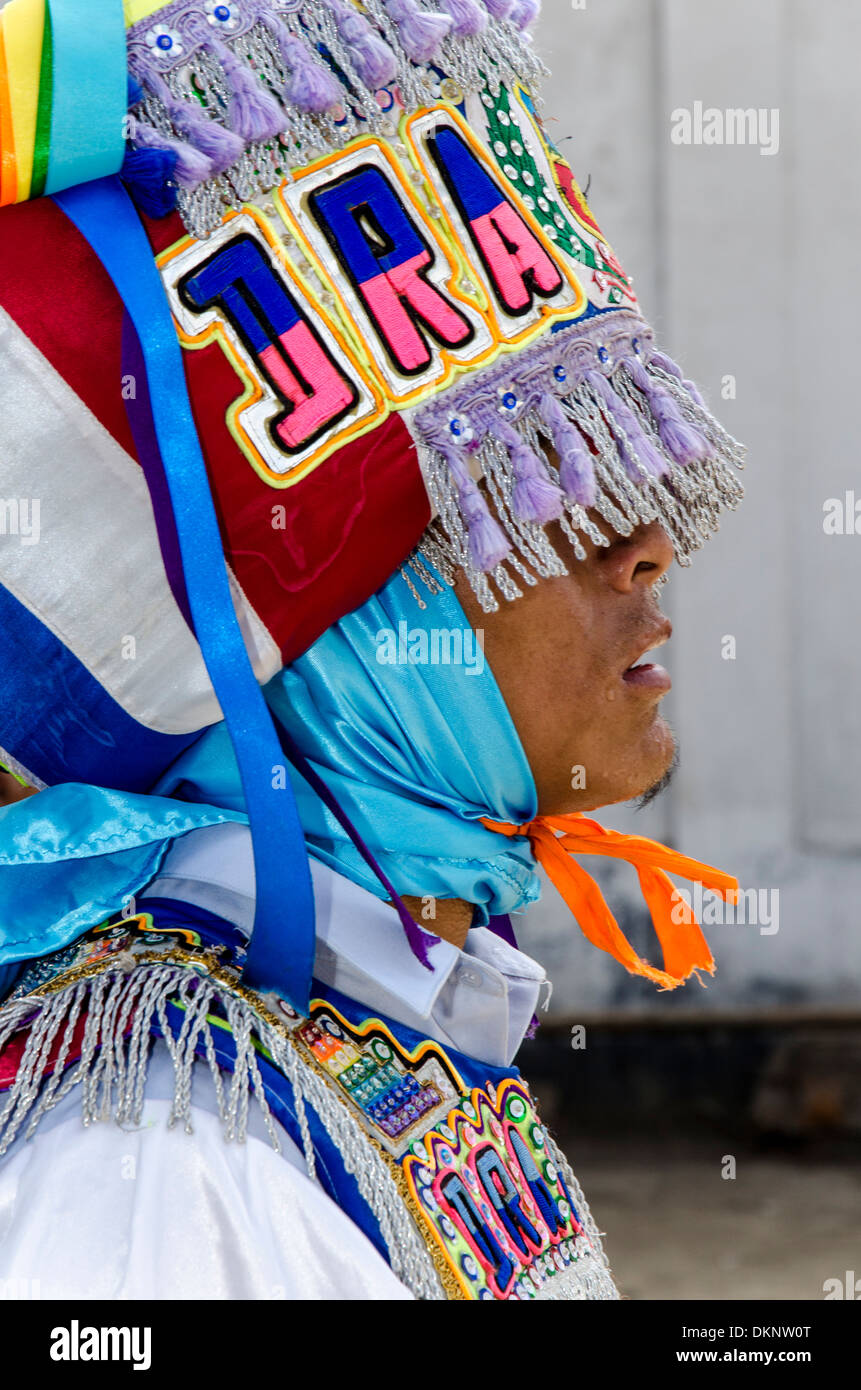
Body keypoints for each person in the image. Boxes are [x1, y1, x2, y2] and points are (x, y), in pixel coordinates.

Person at [0, 0, 743, 1301]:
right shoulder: (161, 1161)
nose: (643, 546)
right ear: (342, 642)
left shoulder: (380, 1018)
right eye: (526, 487)